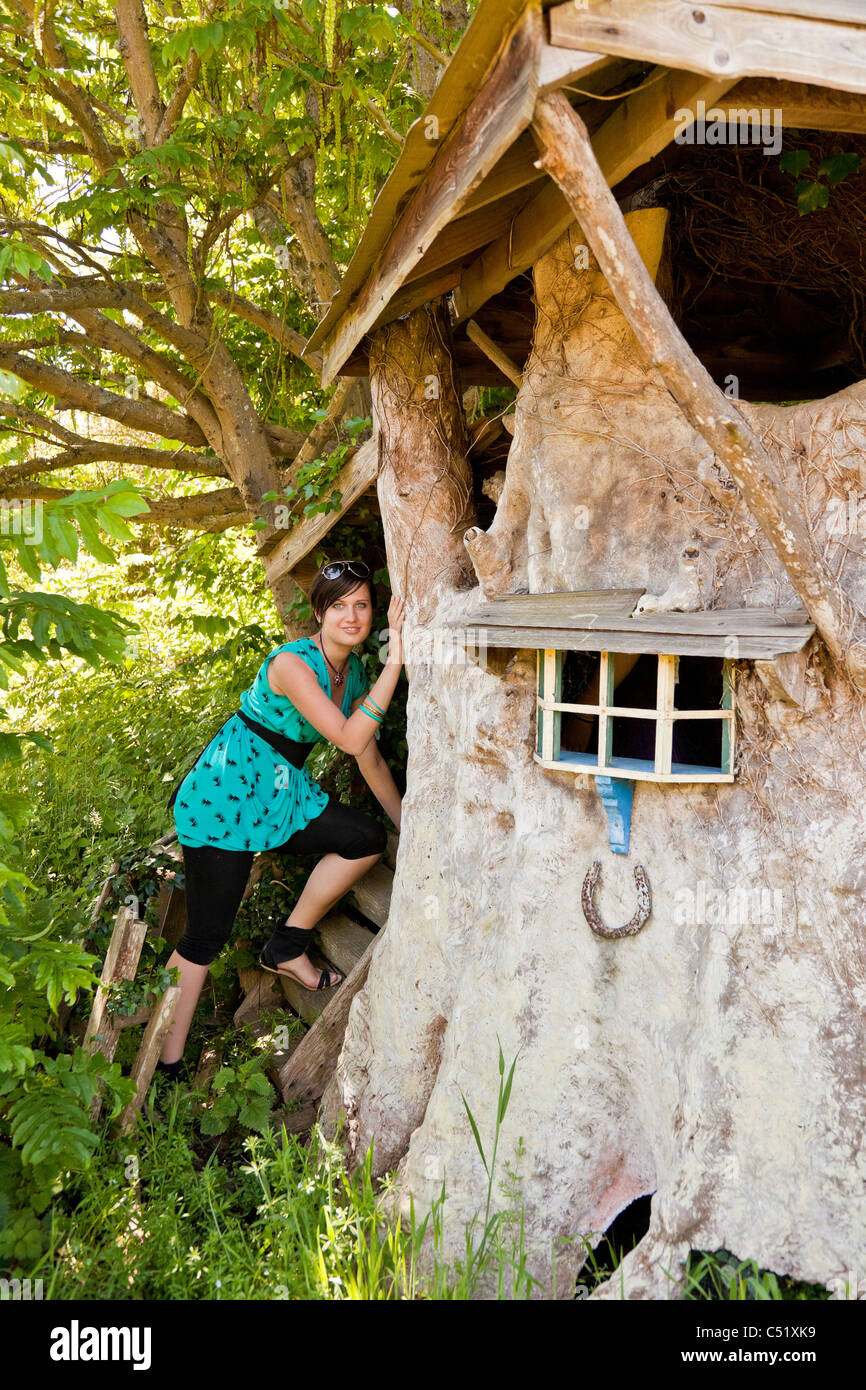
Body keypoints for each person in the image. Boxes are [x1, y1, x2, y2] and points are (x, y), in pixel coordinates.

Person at [156, 559, 405, 1079]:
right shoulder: (292, 664)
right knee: (206, 935)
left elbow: (370, 757)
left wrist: (407, 821)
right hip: (224, 796)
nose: (352, 616)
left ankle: (287, 945)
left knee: (364, 838)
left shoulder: (352, 672)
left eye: (361, 605)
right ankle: (167, 1059)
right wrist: (395, 663)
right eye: (339, 605)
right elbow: (350, 738)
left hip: (280, 793)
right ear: (319, 612)